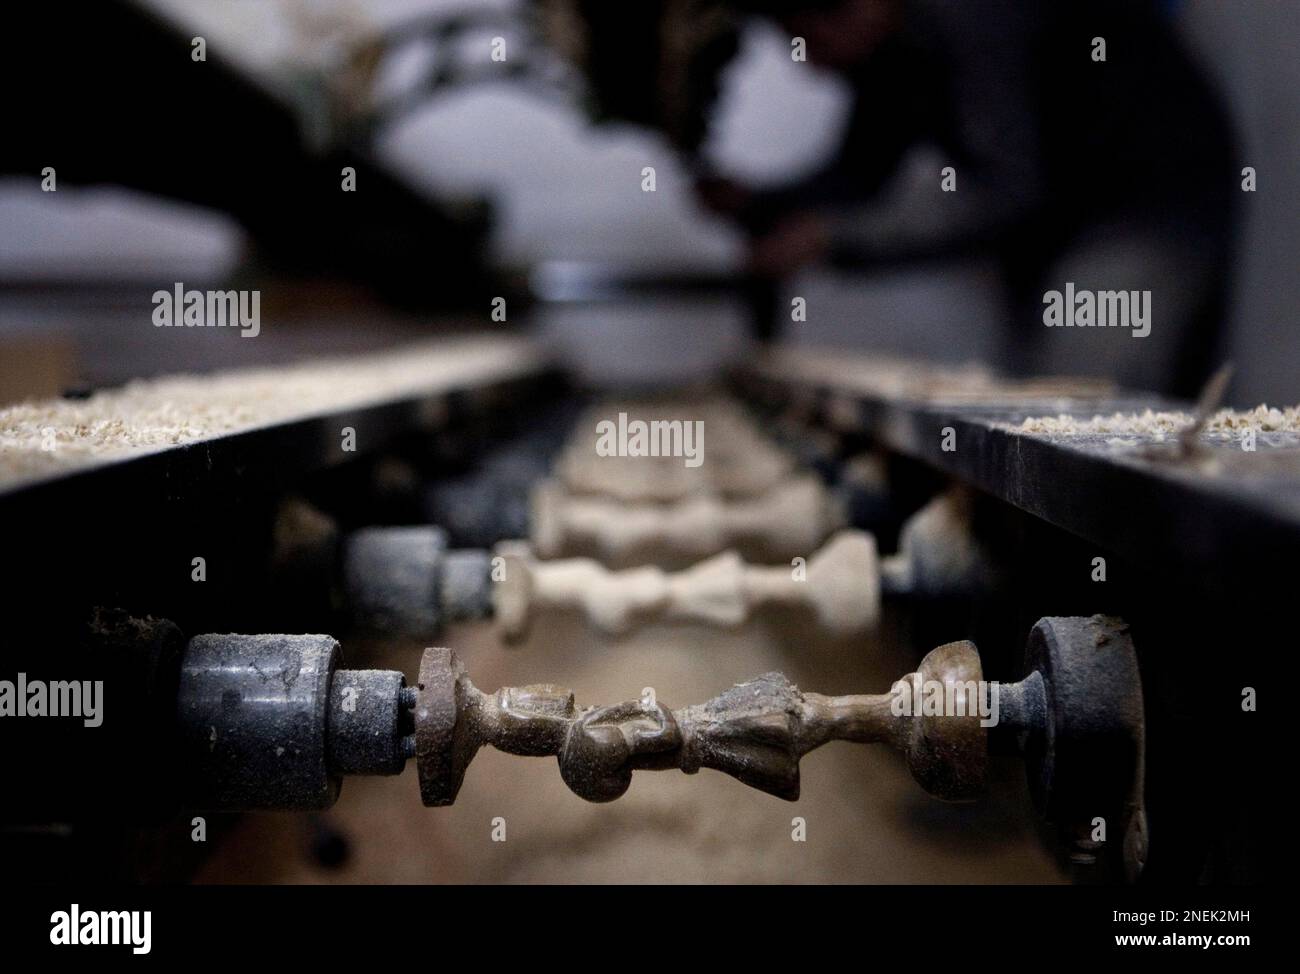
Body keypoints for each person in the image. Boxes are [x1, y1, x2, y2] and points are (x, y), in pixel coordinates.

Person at [703, 0, 1238, 394]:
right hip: (1066, 214)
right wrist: (755, 202)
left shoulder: (975, 16)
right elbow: (862, 174)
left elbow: (1006, 190)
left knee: (1083, 408)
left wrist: (829, 238)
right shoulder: (894, 44)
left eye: (808, 39)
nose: (808, 64)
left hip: (1142, 200)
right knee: (1048, 401)